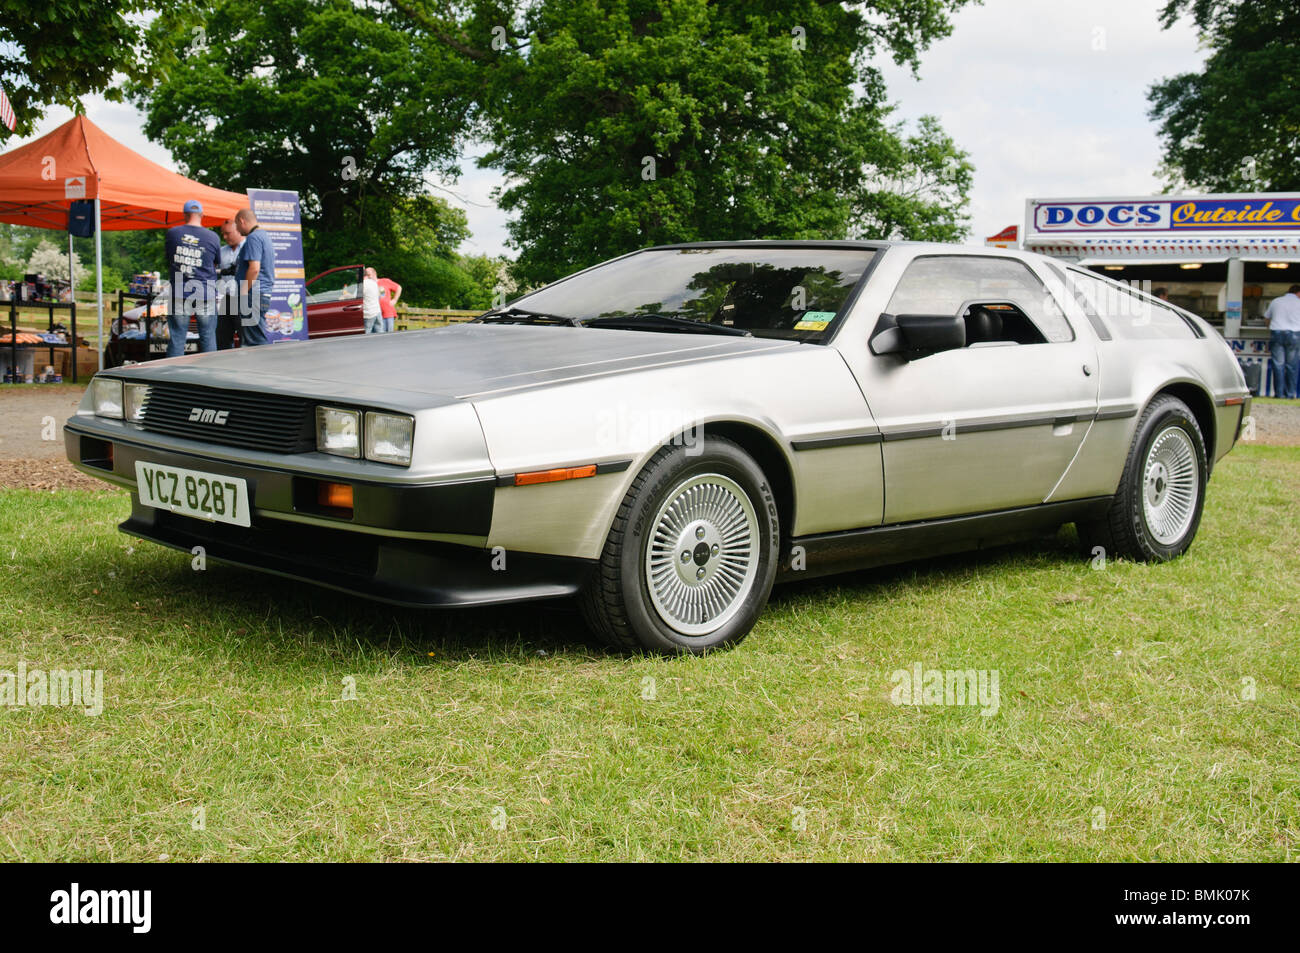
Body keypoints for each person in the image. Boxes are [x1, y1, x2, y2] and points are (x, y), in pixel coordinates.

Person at [163, 199, 220, 357]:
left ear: (184, 215)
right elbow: (215, 264)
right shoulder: (213, 237)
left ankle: (173, 377)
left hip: (180, 293)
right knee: (208, 337)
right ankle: (211, 375)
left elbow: (169, 258)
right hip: (205, 293)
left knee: (177, 338)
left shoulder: (173, 233)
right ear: (202, 215)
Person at [234, 207, 275, 346]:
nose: (237, 230)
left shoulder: (253, 238)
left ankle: (264, 366)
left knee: (255, 342)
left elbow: (254, 268)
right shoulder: (264, 236)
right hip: (261, 294)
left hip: (253, 295)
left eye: (237, 225)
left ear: (242, 221)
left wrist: (244, 291)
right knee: (253, 339)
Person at [1264, 284, 1300, 398]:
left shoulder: (1276, 301)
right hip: (1294, 334)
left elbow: (1266, 318)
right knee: (1292, 366)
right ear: (1298, 293)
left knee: (1278, 365)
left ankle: (1279, 394)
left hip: (1277, 333)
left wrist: (1268, 327)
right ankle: (1290, 394)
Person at [215, 219, 244, 350]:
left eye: (228, 233)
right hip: (226, 299)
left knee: (245, 336)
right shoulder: (221, 251)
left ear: (238, 230)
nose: (225, 237)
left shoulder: (249, 247)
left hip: (244, 297)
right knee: (222, 337)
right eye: (223, 234)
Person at [362, 266, 383, 333]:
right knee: (380, 333)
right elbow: (379, 295)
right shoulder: (374, 283)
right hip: (377, 311)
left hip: (368, 313)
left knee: (367, 333)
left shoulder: (362, 285)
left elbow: (355, 297)